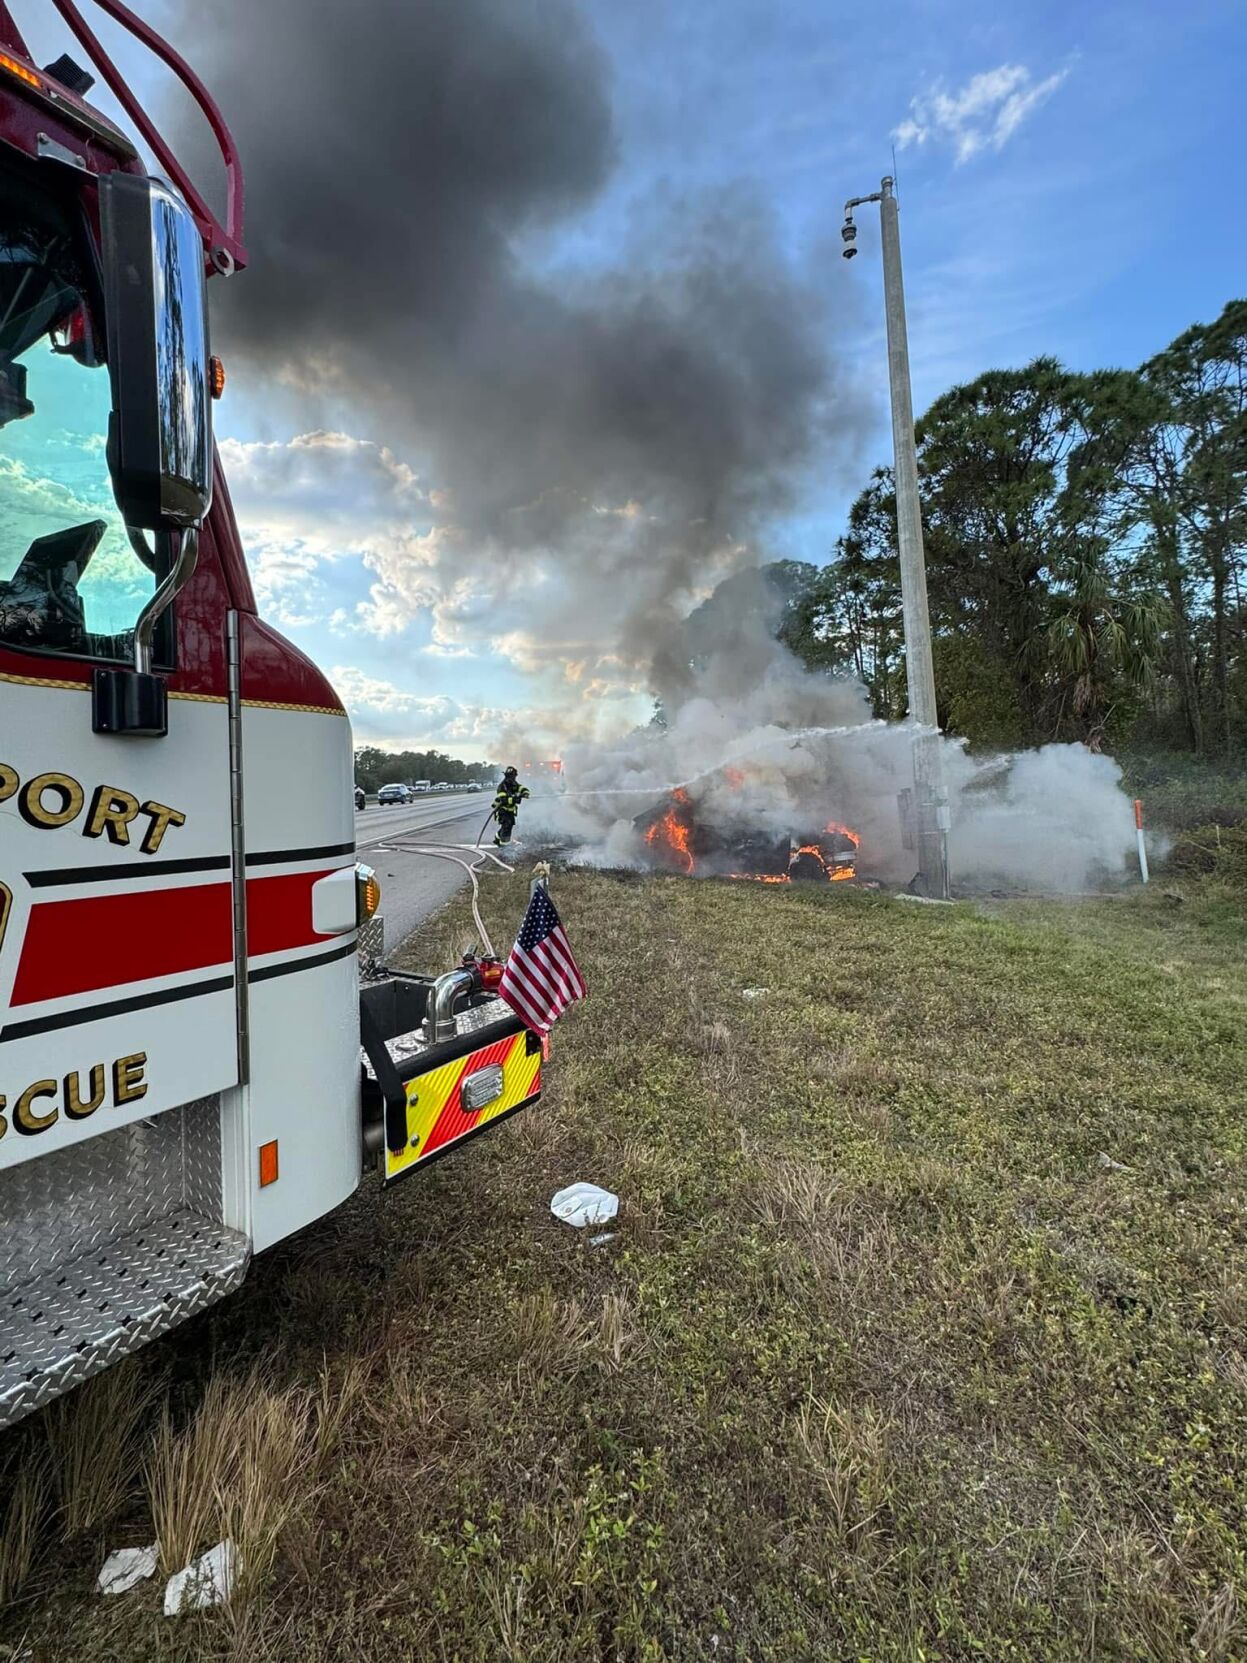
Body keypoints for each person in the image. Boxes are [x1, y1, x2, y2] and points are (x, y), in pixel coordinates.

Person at [492, 766, 530, 846]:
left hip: (510, 810)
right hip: (503, 809)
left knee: (509, 825)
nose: (514, 777)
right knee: (507, 826)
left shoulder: (513, 784)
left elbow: (520, 788)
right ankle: (504, 847)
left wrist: (525, 792)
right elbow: (503, 800)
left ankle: (497, 837)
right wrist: (515, 799)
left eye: (514, 776)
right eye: (512, 776)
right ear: (508, 776)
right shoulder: (502, 786)